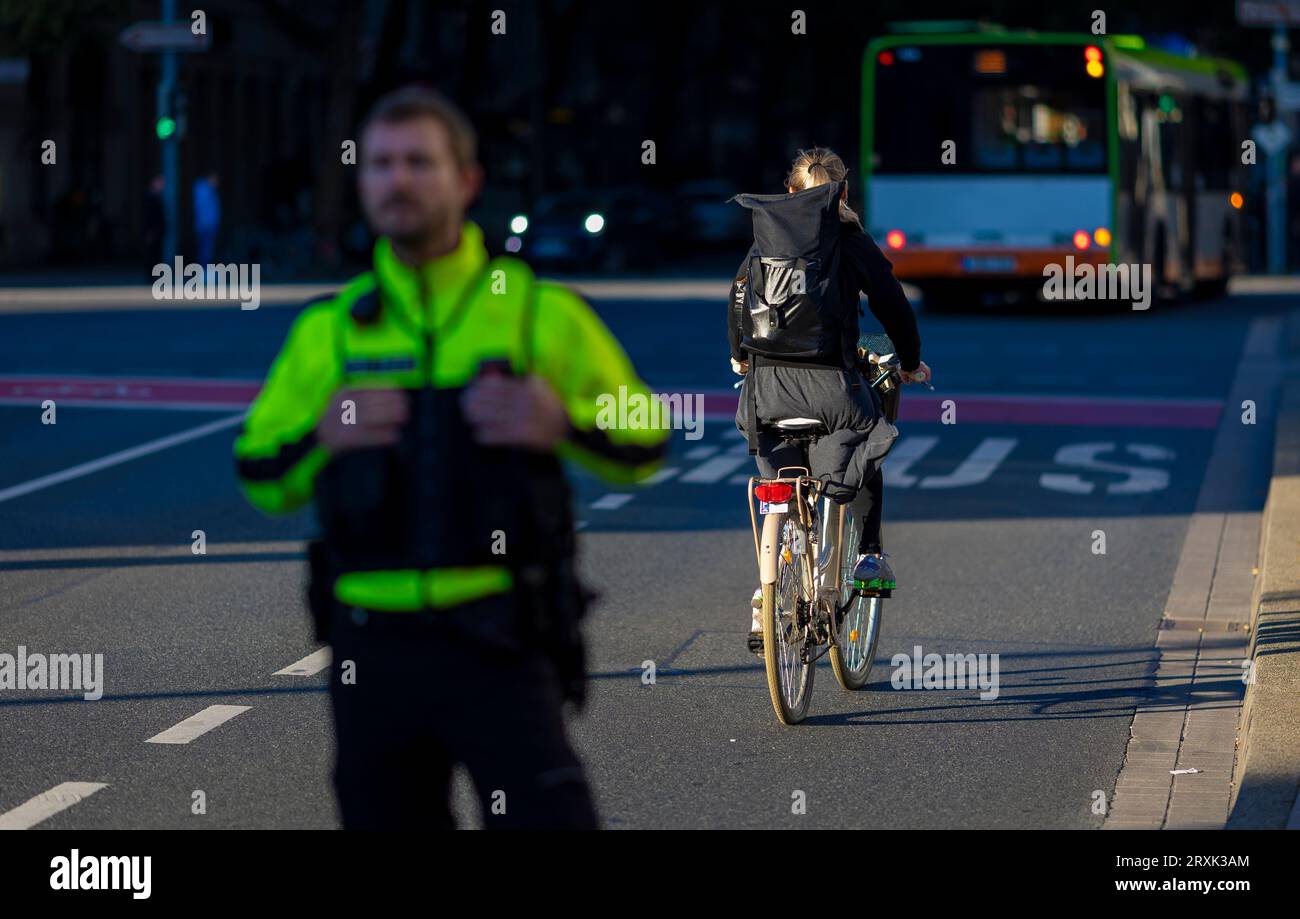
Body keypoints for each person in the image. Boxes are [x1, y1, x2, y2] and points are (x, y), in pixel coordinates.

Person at [234, 86, 667, 829]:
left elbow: (645, 440)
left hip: (499, 638)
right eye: (380, 165)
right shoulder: (330, 330)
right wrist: (322, 434)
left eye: (419, 163)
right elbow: (259, 473)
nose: (397, 181)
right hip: (372, 651)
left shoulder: (537, 311)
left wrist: (562, 421)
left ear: (465, 181)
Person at [728, 148, 931, 650]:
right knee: (869, 429)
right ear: (842, 193)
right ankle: (868, 553)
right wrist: (908, 362)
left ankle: (766, 590)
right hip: (832, 389)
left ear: (791, 191)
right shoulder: (847, 238)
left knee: (777, 479)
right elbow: (891, 302)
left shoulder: (766, 236)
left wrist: (741, 357)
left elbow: (738, 297)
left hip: (764, 393)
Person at [192, 171, 221, 269]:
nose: (217, 183)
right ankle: (202, 271)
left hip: (210, 226)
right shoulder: (203, 191)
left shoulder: (211, 191)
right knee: (204, 250)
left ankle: (205, 270)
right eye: (215, 180)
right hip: (205, 226)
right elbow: (203, 209)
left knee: (207, 250)